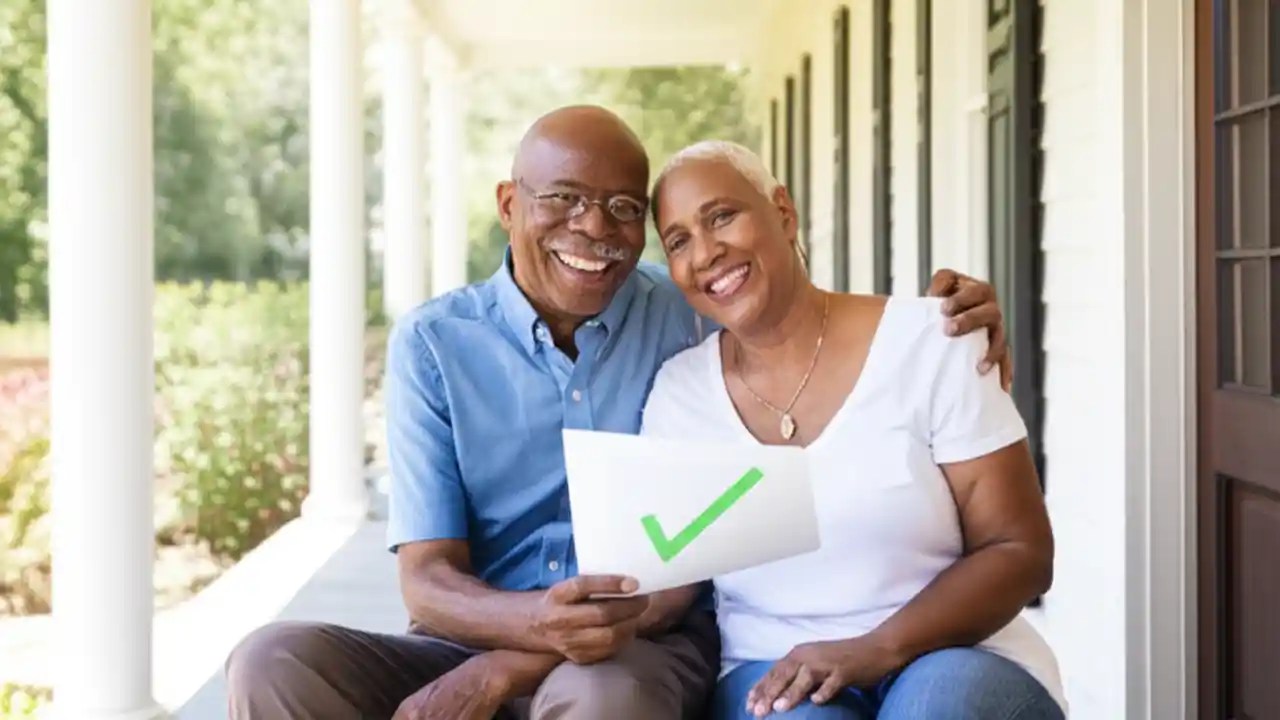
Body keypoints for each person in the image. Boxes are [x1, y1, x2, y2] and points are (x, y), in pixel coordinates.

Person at [224, 107, 1014, 720]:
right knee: (271, 661)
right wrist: (522, 633)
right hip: (476, 633)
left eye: (621, 208)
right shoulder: (435, 343)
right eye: (562, 198)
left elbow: (788, 306)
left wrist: (944, 318)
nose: (594, 229)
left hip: (649, 636)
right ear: (508, 204)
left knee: (599, 696)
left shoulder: (689, 313)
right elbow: (427, 581)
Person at [639, 140, 1065, 720]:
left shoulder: (932, 341)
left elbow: (1020, 550)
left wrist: (876, 649)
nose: (707, 251)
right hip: (773, 669)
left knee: (937, 708)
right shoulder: (680, 394)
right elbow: (664, 580)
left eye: (722, 216)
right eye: (679, 241)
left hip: (958, 654)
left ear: (782, 212)